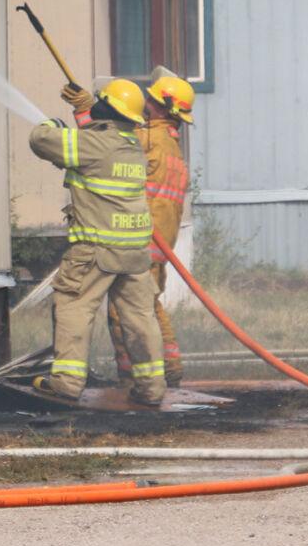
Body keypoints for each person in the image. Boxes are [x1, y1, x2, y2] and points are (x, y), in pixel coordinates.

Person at [28, 79, 166, 405]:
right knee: (140, 319)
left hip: (95, 250)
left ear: (106, 108)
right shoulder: (132, 147)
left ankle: (65, 383)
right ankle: (152, 388)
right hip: (133, 252)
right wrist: (86, 106)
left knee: (74, 306)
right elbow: (101, 133)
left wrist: (54, 124)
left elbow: (40, 140)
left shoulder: (92, 145)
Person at [105, 70, 194, 388]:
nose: (147, 104)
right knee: (148, 305)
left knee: (126, 309)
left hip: (141, 240)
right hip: (159, 242)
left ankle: (136, 374)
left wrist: (89, 111)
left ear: (163, 108)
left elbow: (109, 146)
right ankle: (168, 367)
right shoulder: (172, 147)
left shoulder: (148, 138)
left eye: (154, 100)